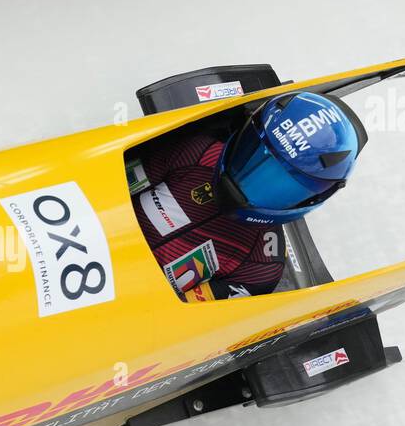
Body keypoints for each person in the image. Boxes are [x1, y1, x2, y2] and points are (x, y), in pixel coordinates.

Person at [127, 90, 367, 300]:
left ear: (309, 200)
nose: (250, 186)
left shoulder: (262, 264)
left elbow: (181, 320)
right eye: (253, 156)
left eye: (279, 185)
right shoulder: (196, 153)